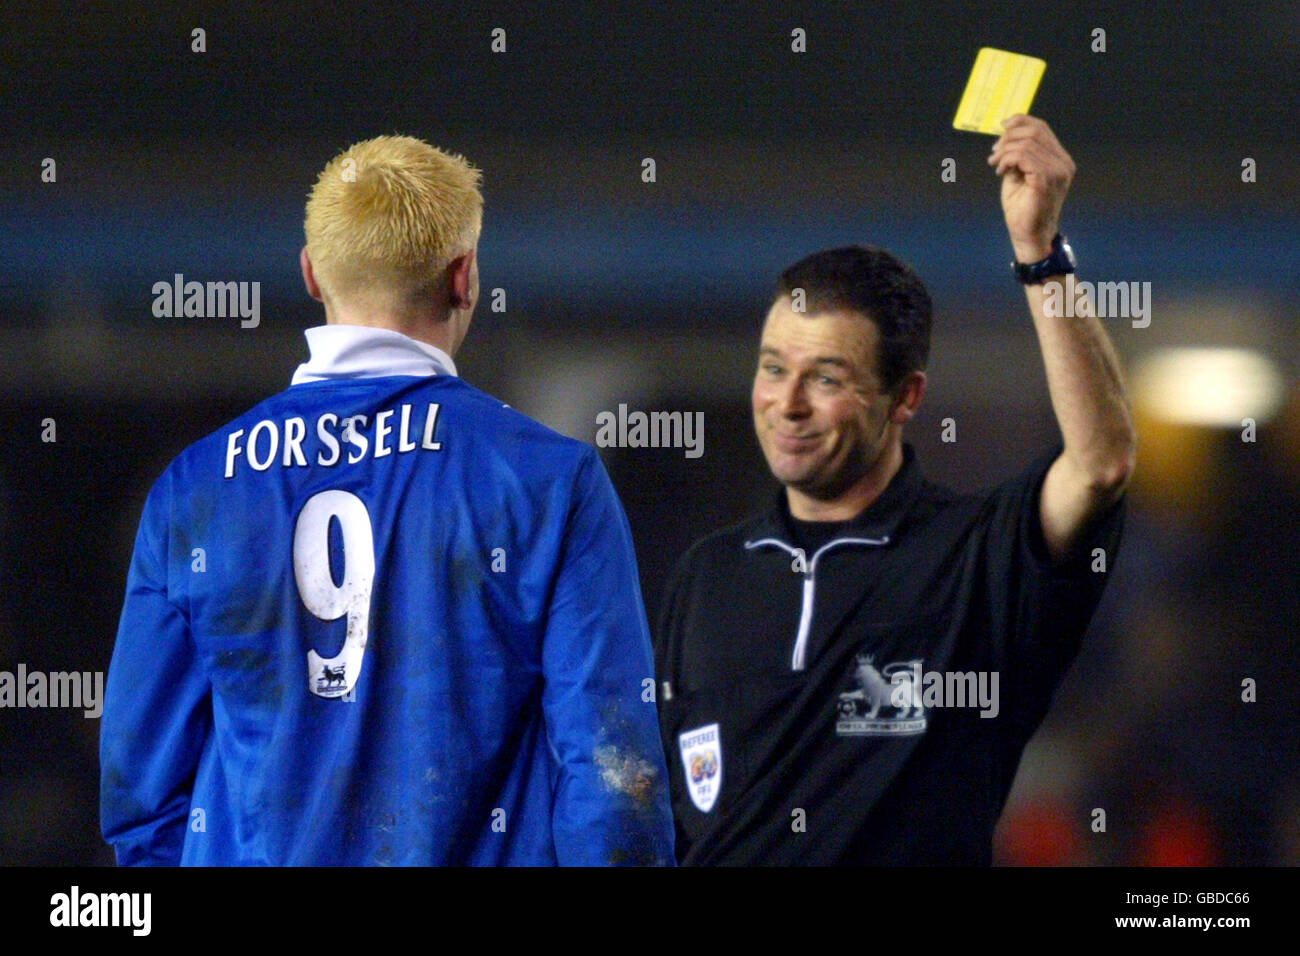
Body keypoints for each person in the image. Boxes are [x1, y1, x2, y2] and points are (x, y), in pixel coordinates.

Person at [100, 135, 675, 866]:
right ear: (464, 277)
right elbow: (614, 778)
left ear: (312, 274)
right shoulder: (550, 481)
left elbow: (142, 792)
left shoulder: (194, 489)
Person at [654, 115, 1136, 865]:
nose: (787, 404)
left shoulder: (978, 558)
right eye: (774, 368)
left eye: (826, 379)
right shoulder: (708, 574)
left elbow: (1101, 461)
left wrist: (1040, 254)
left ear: (906, 397)